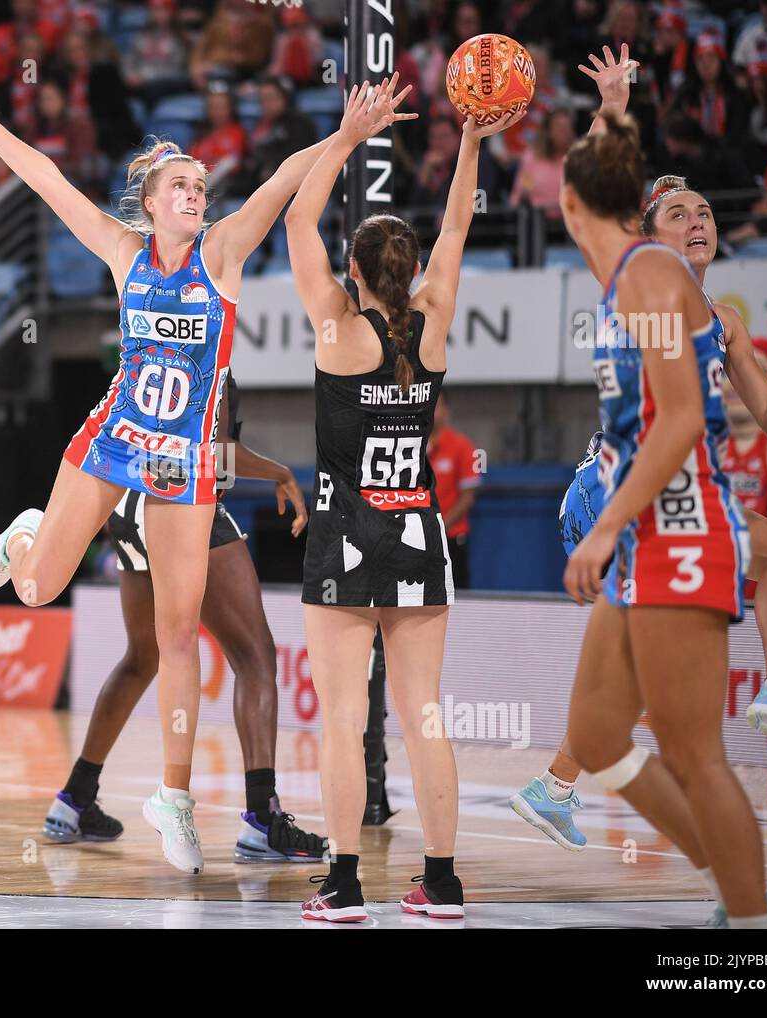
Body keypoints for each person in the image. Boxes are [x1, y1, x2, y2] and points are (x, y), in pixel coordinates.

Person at [0, 58, 346, 875]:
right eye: (181, 185)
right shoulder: (120, 248)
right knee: (36, 589)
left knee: (177, 637)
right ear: (150, 200)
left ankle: (174, 797)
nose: (196, 193)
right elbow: (47, 179)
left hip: (186, 464)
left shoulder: (223, 252)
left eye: (201, 185)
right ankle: (26, 536)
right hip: (112, 440)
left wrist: (346, 133)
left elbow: (281, 180)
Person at [287, 75, 522, 923]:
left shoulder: (336, 329)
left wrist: (348, 137)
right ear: (414, 270)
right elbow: (458, 226)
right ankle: (443, 883)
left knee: (345, 720)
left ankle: (345, 884)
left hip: (345, 534)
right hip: (419, 531)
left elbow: (297, 223)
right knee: (425, 714)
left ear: (352, 270)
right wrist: (472, 140)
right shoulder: (436, 321)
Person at [559, 100, 767, 929]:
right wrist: (612, 112)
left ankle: (754, 927)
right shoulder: (624, 273)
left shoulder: (651, 273)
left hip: (681, 524)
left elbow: (682, 418)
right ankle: (738, 886)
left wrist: (606, 525)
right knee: (597, 735)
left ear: (573, 205)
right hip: (646, 529)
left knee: (695, 755)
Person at [43, 374, 327, 862]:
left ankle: (74, 798)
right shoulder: (211, 356)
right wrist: (279, 471)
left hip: (126, 505)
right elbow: (218, 453)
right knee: (255, 657)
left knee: (142, 658)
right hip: (179, 502)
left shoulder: (145, 353)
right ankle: (262, 818)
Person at [427, 394, 480, 590]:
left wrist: (439, 528)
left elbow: (468, 498)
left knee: (456, 595)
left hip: (451, 539)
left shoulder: (462, 446)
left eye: (436, 405)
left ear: (446, 410)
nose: (430, 411)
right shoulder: (411, 447)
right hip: (417, 540)